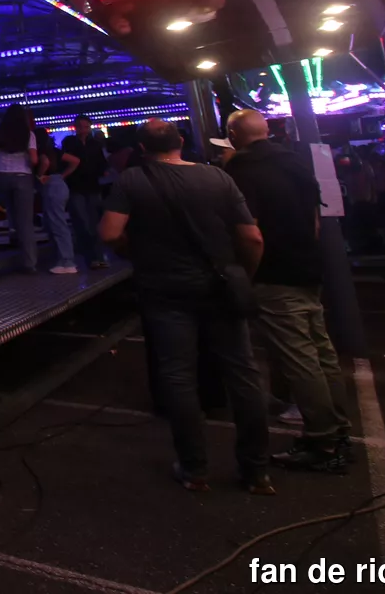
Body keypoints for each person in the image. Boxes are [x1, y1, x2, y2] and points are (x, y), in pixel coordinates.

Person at [99, 119, 273, 494]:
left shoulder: (131, 181)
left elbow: (110, 233)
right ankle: (256, 471)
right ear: (180, 141)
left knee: (178, 377)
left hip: (164, 289)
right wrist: (243, 274)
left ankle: (195, 469)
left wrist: (137, 252)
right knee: (243, 374)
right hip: (220, 287)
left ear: (141, 149)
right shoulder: (217, 178)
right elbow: (252, 237)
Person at [223, 109, 352, 472]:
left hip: (274, 273)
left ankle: (323, 441)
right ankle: (338, 431)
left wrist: (247, 273)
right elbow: (314, 219)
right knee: (321, 352)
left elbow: (251, 231)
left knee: (299, 359)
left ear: (233, 134)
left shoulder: (243, 171)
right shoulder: (295, 162)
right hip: (306, 267)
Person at [0, 104, 39, 272]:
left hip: (1, 176)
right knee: (25, 221)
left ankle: (13, 238)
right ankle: (29, 263)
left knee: (11, 213)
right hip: (22, 176)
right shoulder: (28, 134)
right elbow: (34, 159)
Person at [62, 115, 110, 268]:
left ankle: (97, 255)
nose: (82, 128)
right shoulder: (70, 142)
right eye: (80, 126)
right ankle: (92, 256)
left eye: (85, 126)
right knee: (82, 221)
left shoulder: (94, 144)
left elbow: (101, 163)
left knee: (93, 221)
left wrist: (103, 171)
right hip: (76, 186)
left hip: (91, 185)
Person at [37, 125, 80, 274]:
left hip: (51, 186)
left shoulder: (41, 152)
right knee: (57, 222)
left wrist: (39, 176)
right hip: (60, 184)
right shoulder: (54, 150)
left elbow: (45, 162)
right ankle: (63, 259)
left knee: (56, 223)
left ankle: (67, 262)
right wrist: (62, 175)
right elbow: (75, 161)